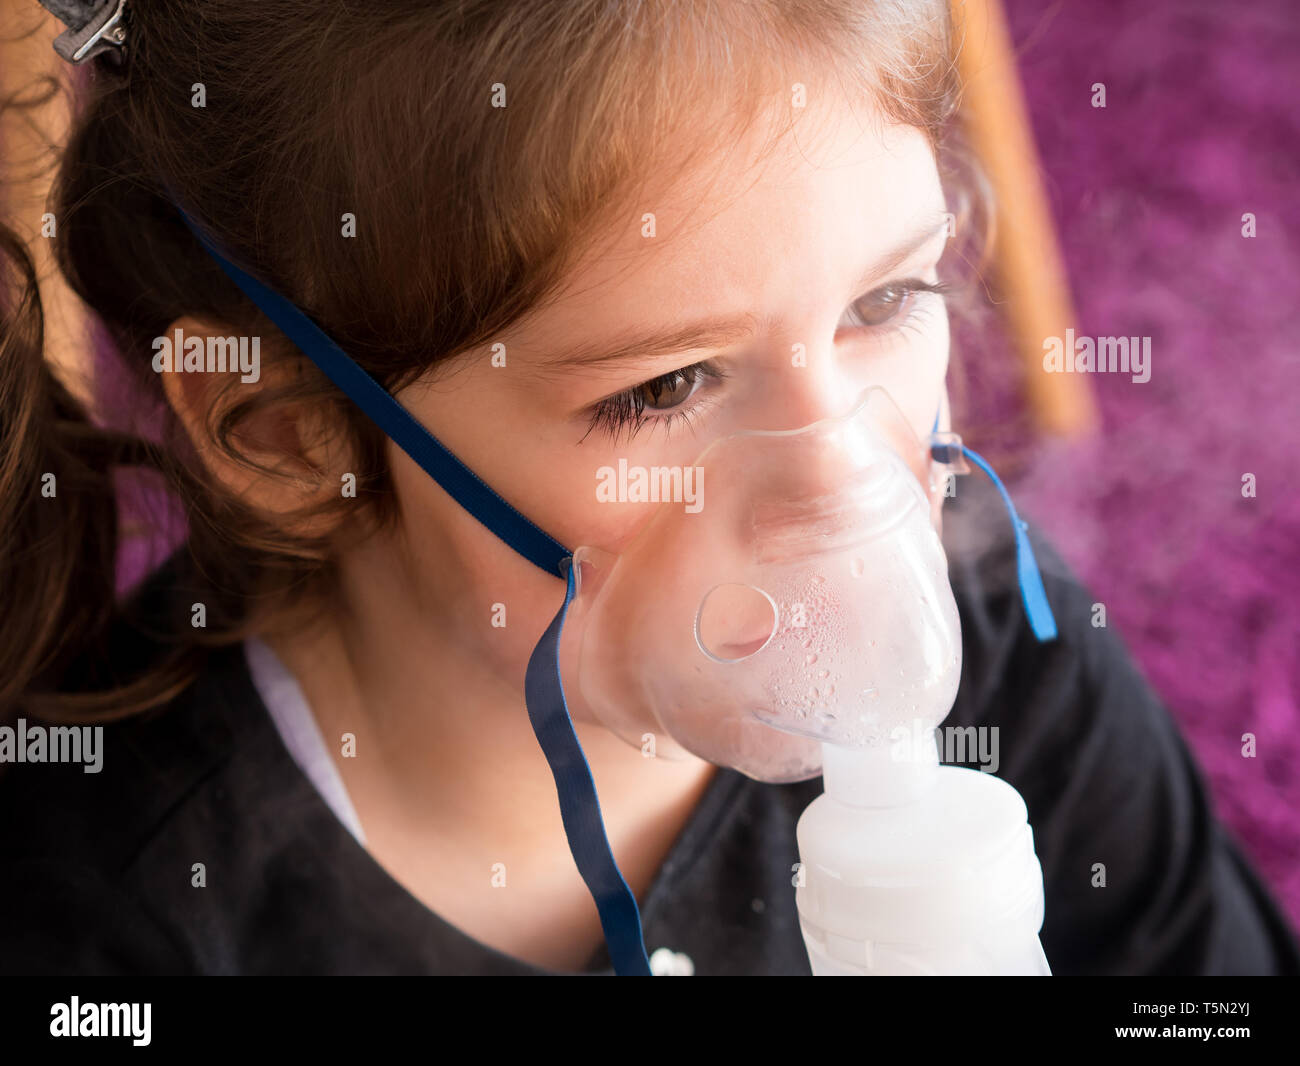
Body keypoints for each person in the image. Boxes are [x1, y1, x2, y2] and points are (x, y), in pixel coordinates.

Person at [1, 0, 1296, 976]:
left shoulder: (1017, 662)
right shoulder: (120, 905)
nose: (838, 477)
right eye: (666, 386)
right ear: (290, 435)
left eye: (886, 299)